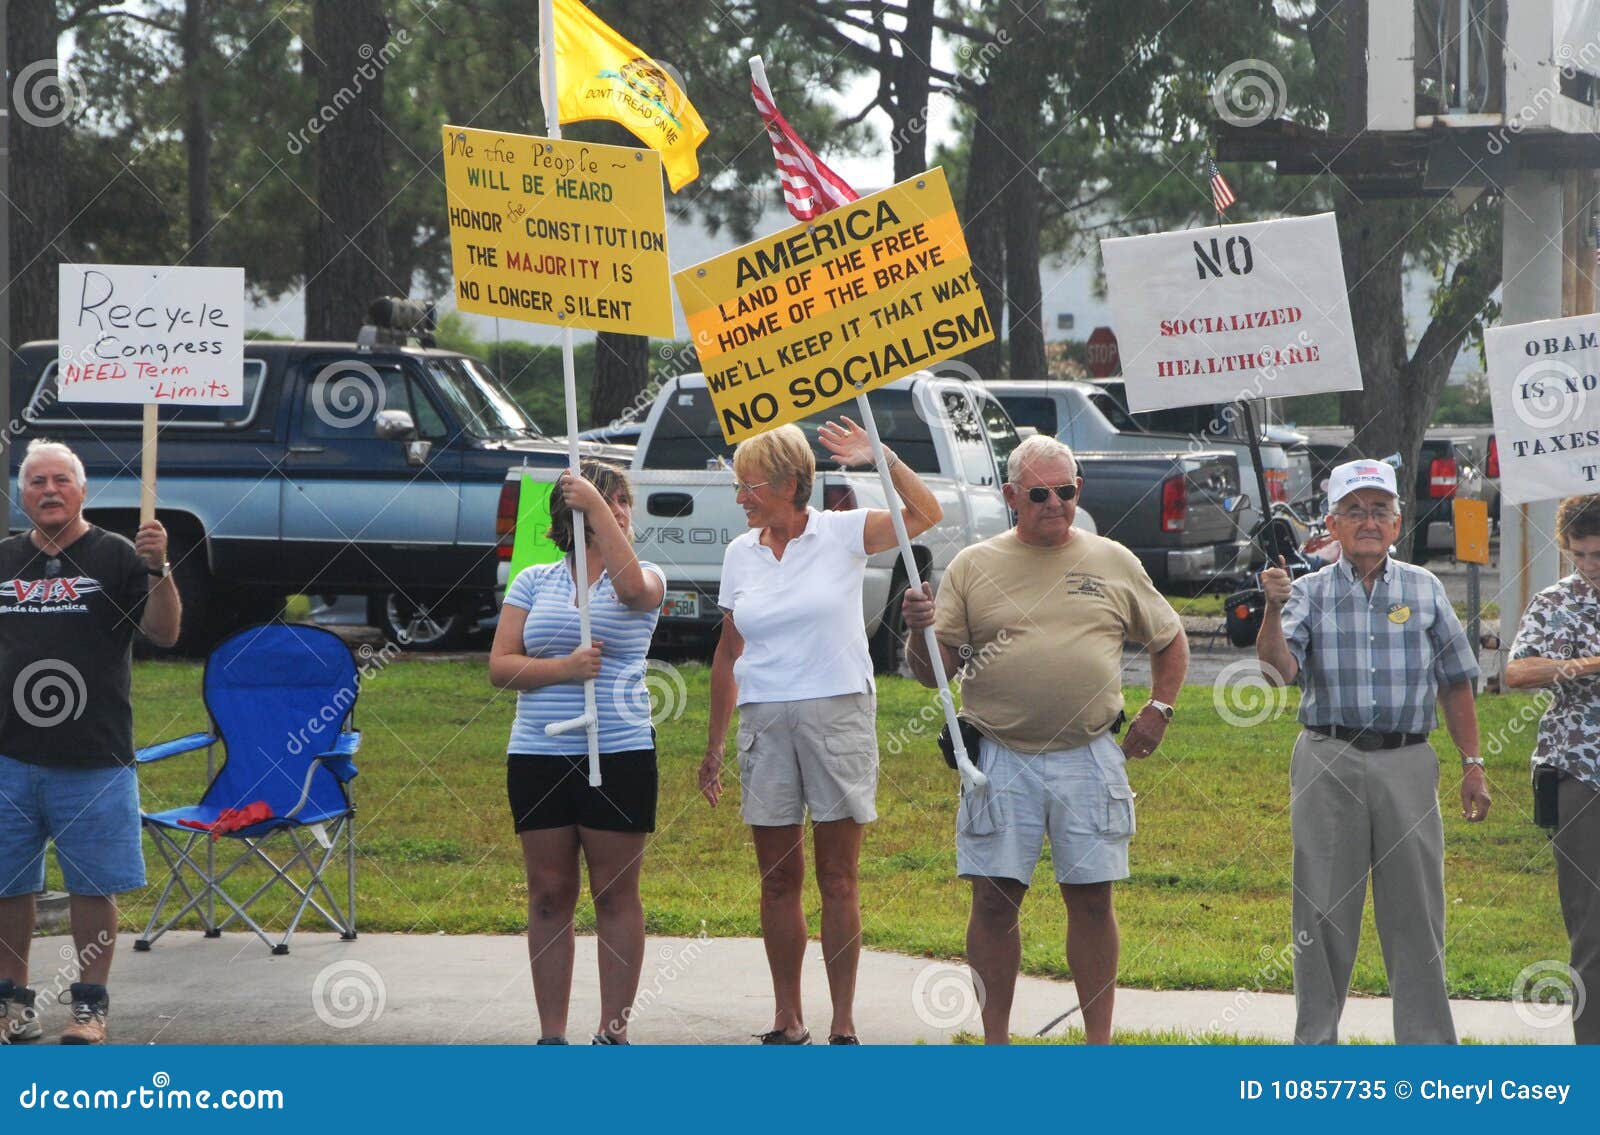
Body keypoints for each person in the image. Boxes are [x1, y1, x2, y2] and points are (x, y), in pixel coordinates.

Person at [902, 433, 1189, 1045]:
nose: (1055, 503)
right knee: (993, 903)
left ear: (1078, 489)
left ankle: (1098, 1047)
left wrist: (1160, 708)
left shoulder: (1113, 560)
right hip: (999, 757)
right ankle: (997, 1044)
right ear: (1011, 497)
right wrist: (917, 632)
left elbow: (1169, 639)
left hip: (1089, 754)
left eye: (1065, 491)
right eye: (1039, 494)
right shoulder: (973, 565)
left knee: (1092, 901)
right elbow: (934, 673)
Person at [698, 418, 942, 1045]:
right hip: (764, 720)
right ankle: (788, 1017)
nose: (741, 498)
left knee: (838, 877)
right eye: (738, 487)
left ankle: (843, 1022)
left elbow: (926, 513)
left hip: (837, 714)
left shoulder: (842, 532)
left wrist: (882, 456)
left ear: (788, 483)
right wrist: (715, 745)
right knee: (778, 878)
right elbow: (728, 651)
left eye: (750, 486)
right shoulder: (740, 553)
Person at [1257, 457, 1490, 1045]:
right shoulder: (1306, 592)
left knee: (1417, 910)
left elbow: (1456, 682)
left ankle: (1427, 1051)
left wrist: (1472, 762)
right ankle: (1316, 1046)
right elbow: (1278, 671)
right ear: (1332, 524)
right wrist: (1273, 609)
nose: (1368, 521)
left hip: (1408, 760)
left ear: (1398, 522)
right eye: (1355, 511)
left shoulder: (1425, 587)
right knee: (1321, 912)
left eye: (1380, 511)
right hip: (1328, 756)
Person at [0, 440, 181, 1046]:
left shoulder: (118, 556)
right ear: (21, 494)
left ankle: (88, 1008)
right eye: (36, 482)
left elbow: (164, 632)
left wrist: (159, 569)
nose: (49, 490)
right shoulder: (5, 560)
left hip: (94, 756)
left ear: (83, 490)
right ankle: (12, 1005)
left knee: (92, 887)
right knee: (7, 885)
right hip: (8, 756)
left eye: (61, 480)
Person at [488, 461, 665, 1046]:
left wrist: (597, 510)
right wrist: (564, 669)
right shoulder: (533, 580)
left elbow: (634, 593)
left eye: (622, 502)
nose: (620, 511)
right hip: (538, 752)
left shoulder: (644, 576)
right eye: (607, 502)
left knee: (615, 893)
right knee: (549, 893)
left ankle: (613, 1033)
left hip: (618, 751)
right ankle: (552, 1036)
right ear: (572, 516)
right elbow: (501, 667)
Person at [1505, 493, 1600, 1044]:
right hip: (1582, 774)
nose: (1588, 565)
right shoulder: (1556, 601)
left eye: (1598, 554)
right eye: (1577, 554)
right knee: (1591, 928)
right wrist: (1589, 664)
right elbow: (1518, 672)